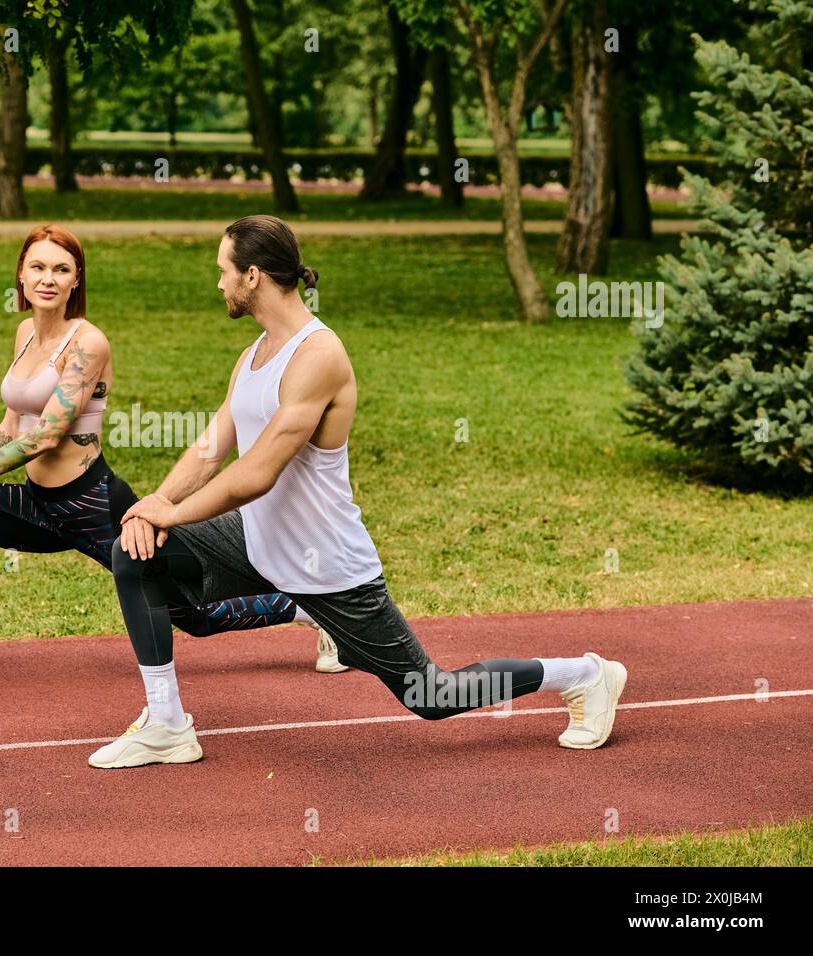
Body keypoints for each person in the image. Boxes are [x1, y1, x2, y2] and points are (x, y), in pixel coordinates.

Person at [88, 214, 628, 768]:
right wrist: (154, 506)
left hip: (327, 566)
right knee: (133, 554)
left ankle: (586, 674)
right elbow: (210, 446)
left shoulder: (318, 356)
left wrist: (169, 514)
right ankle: (167, 725)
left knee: (433, 696)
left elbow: (256, 474)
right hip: (256, 541)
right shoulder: (253, 355)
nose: (218, 283)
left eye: (223, 271)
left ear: (252, 276)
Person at [0, 224, 346, 700]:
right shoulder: (23, 334)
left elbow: (47, 433)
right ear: (20, 273)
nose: (47, 278)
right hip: (38, 505)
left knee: (192, 617)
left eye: (61, 269)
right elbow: (12, 422)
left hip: (91, 504)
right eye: (37, 266)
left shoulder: (87, 344)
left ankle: (307, 609)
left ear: (77, 279)